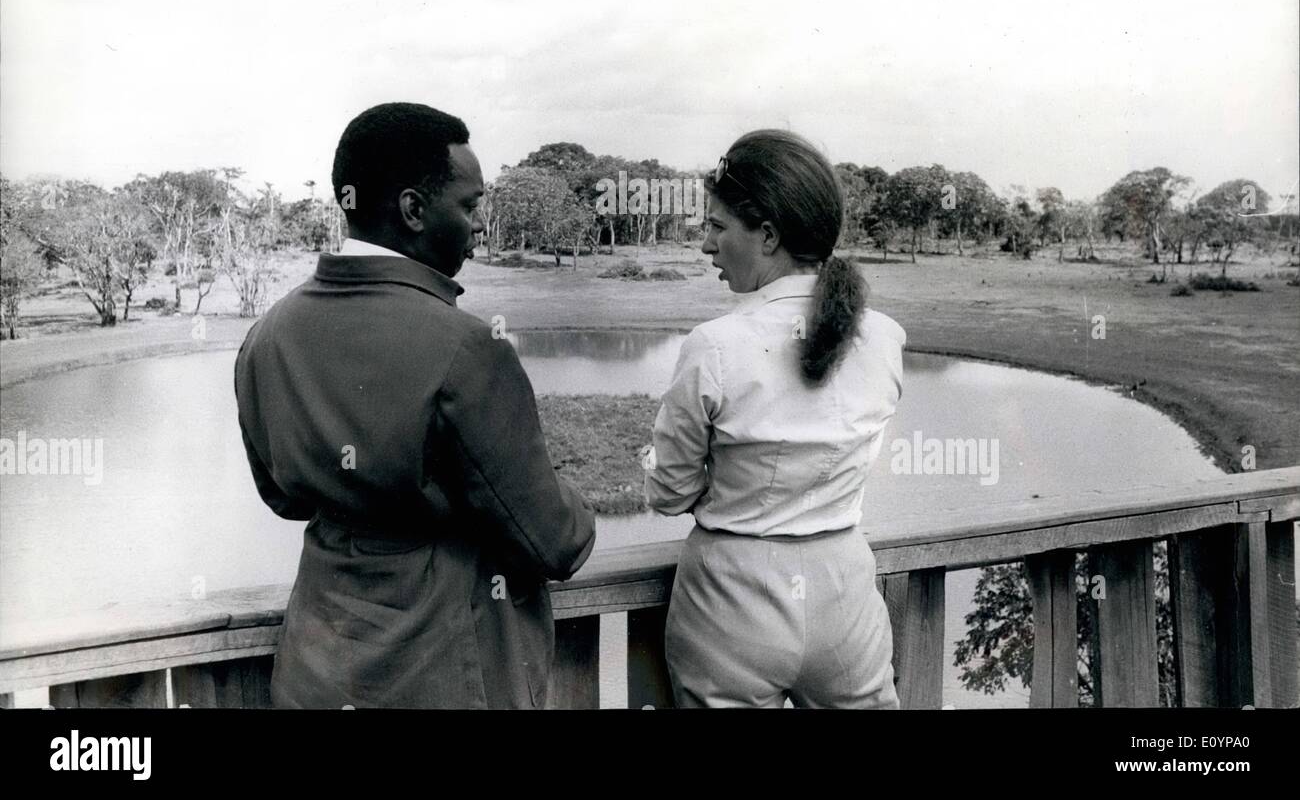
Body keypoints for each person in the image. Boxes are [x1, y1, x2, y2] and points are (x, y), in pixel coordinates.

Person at [235, 102, 596, 708]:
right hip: (446, 675)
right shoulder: (468, 347)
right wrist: (570, 502)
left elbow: (284, 497)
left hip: (315, 668)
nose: (480, 226)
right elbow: (554, 542)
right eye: (470, 206)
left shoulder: (268, 333)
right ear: (413, 209)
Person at [644, 129, 905, 708]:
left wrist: (732, 489)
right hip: (846, 595)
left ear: (767, 235)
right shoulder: (885, 338)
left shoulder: (714, 345)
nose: (707, 245)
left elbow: (668, 492)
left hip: (731, 597)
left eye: (717, 227)